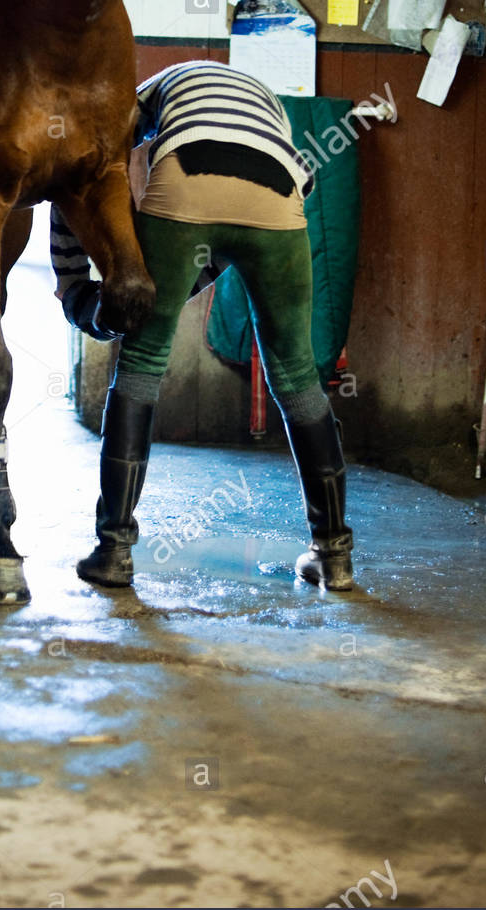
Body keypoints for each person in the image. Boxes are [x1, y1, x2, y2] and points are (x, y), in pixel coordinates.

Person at [52, 59, 353, 592]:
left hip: (188, 176)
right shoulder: (265, 101)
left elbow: (90, 167)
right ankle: (334, 556)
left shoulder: (154, 90)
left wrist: (80, 287)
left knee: (143, 365)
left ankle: (114, 549)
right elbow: (226, 243)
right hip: (280, 190)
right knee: (298, 377)